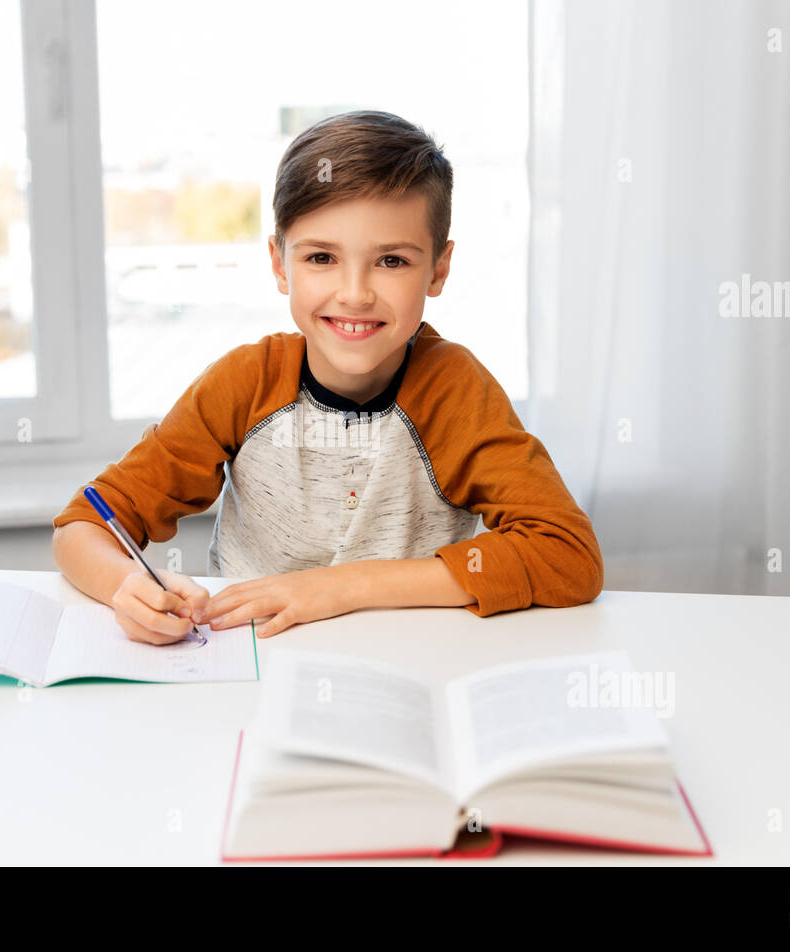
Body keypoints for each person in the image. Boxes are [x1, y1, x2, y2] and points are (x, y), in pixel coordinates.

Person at [52, 110, 602, 644]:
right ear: (278, 263)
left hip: (408, 665)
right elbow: (83, 525)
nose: (356, 293)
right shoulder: (244, 383)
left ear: (439, 268)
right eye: (321, 258)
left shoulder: (455, 391)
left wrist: (343, 586)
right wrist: (127, 586)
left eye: (391, 261)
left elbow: (568, 555)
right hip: (251, 663)